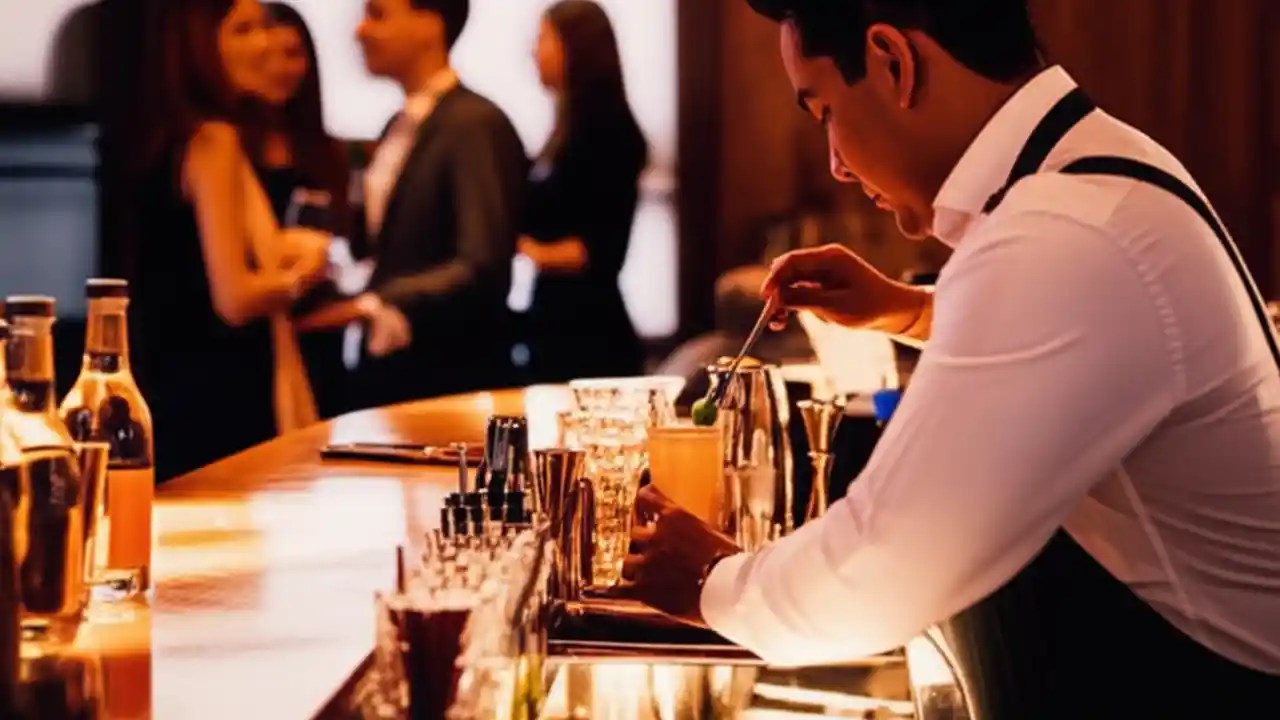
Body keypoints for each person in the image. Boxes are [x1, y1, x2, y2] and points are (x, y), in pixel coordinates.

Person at [622, 0, 1280, 715]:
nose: (836, 164)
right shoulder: (1102, 170)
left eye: (824, 113)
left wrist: (712, 580)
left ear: (893, 63)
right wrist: (906, 311)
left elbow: (884, 569)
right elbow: (1084, 350)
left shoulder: (1064, 231)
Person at [132, 0, 329, 480]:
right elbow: (235, 297)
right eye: (242, 30)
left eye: (262, 27)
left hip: (186, 391)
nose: (264, 45)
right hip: (216, 403)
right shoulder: (214, 142)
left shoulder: (178, 137)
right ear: (200, 44)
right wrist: (305, 275)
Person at [307, 0, 526, 408]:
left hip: (451, 382)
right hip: (398, 374)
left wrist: (375, 302)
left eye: (377, 14)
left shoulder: (474, 123)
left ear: (430, 23)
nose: (359, 31)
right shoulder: (399, 124)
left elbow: (482, 263)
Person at [519, 0, 647, 382]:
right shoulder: (564, 127)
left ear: (574, 46)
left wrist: (528, 249)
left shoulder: (608, 129)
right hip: (554, 323)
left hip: (588, 332)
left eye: (543, 39)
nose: (533, 51)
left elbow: (601, 251)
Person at [250, 2, 354, 418]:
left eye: (292, 54)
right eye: (268, 54)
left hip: (322, 331)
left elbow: (349, 247)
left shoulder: (327, 151)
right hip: (258, 332)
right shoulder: (229, 151)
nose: (279, 67)